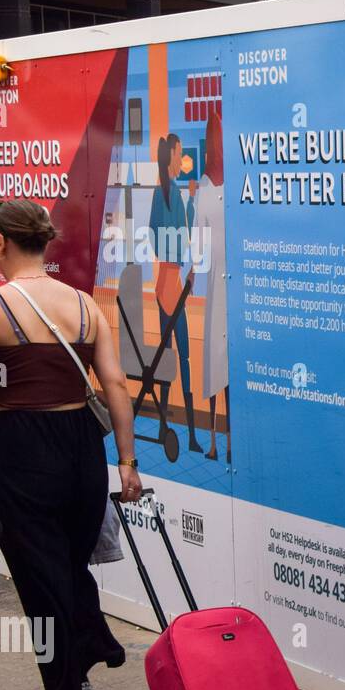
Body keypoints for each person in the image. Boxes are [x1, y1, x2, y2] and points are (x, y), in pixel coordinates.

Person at [0, 199, 144, 690]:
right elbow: (116, 386)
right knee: (69, 569)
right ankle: (79, 677)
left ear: (0, 242)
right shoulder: (84, 304)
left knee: (42, 585)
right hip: (84, 452)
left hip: (24, 452)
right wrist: (126, 463)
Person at [149, 133, 203, 453]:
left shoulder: (169, 192)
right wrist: (192, 201)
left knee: (172, 358)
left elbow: (162, 234)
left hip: (167, 282)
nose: (183, 159)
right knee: (179, 358)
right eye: (180, 153)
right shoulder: (166, 192)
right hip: (171, 284)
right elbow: (178, 233)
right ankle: (184, 433)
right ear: (170, 155)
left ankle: (164, 427)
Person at [196, 112, 230, 462]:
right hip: (222, 285)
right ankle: (219, 442)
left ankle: (220, 442)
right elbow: (198, 243)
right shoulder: (208, 189)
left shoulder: (210, 188)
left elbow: (198, 243)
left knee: (222, 365)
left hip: (226, 285)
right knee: (218, 365)